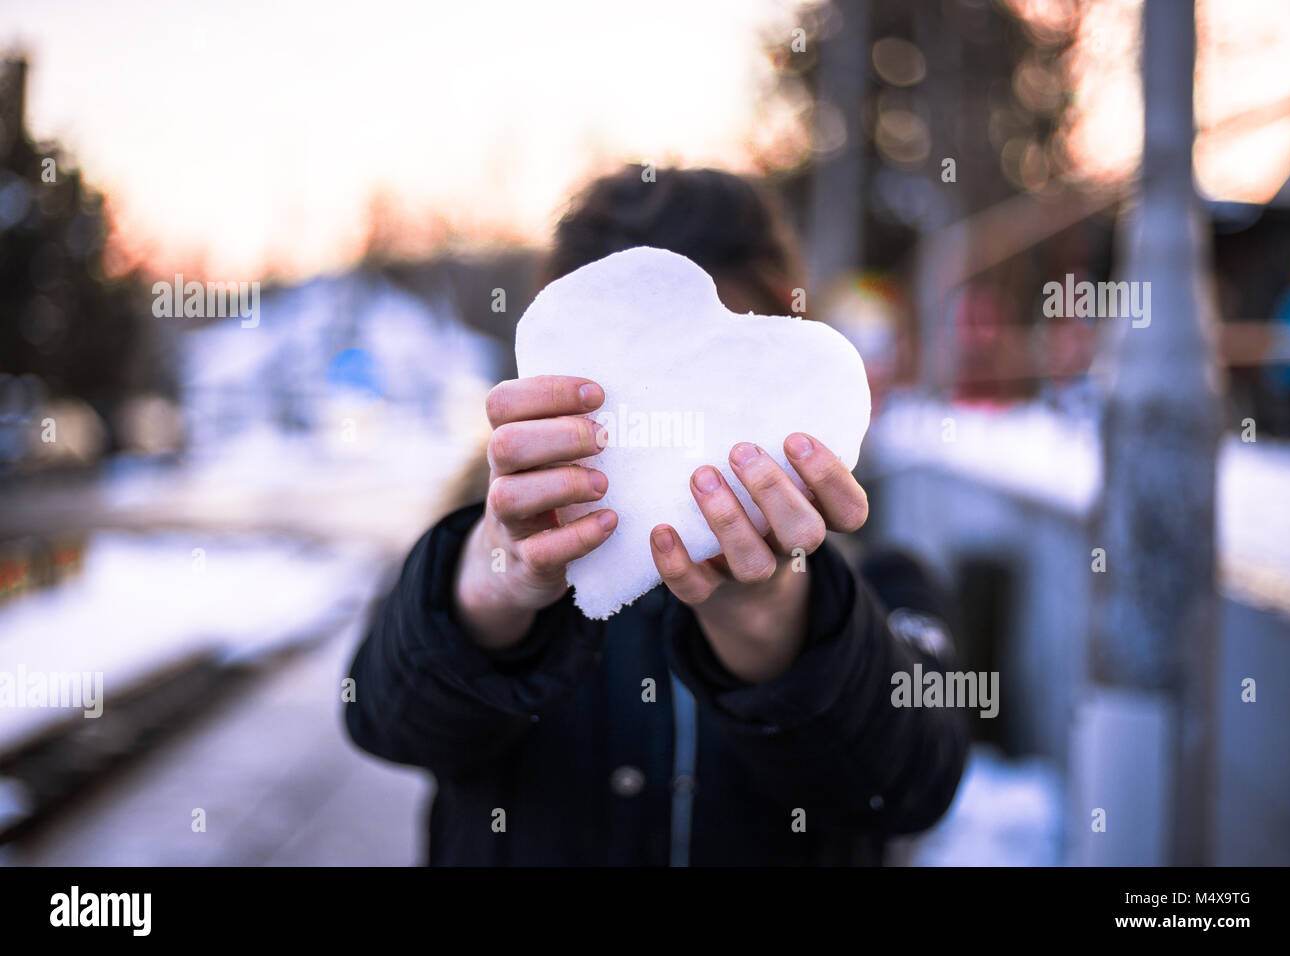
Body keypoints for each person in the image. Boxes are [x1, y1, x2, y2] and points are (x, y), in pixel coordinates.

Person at [344, 166, 968, 865]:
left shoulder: (879, 578)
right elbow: (381, 718)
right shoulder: (467, 552)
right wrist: (495, 582)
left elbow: (916, 785)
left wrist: (776, 623)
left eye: (725, 386)